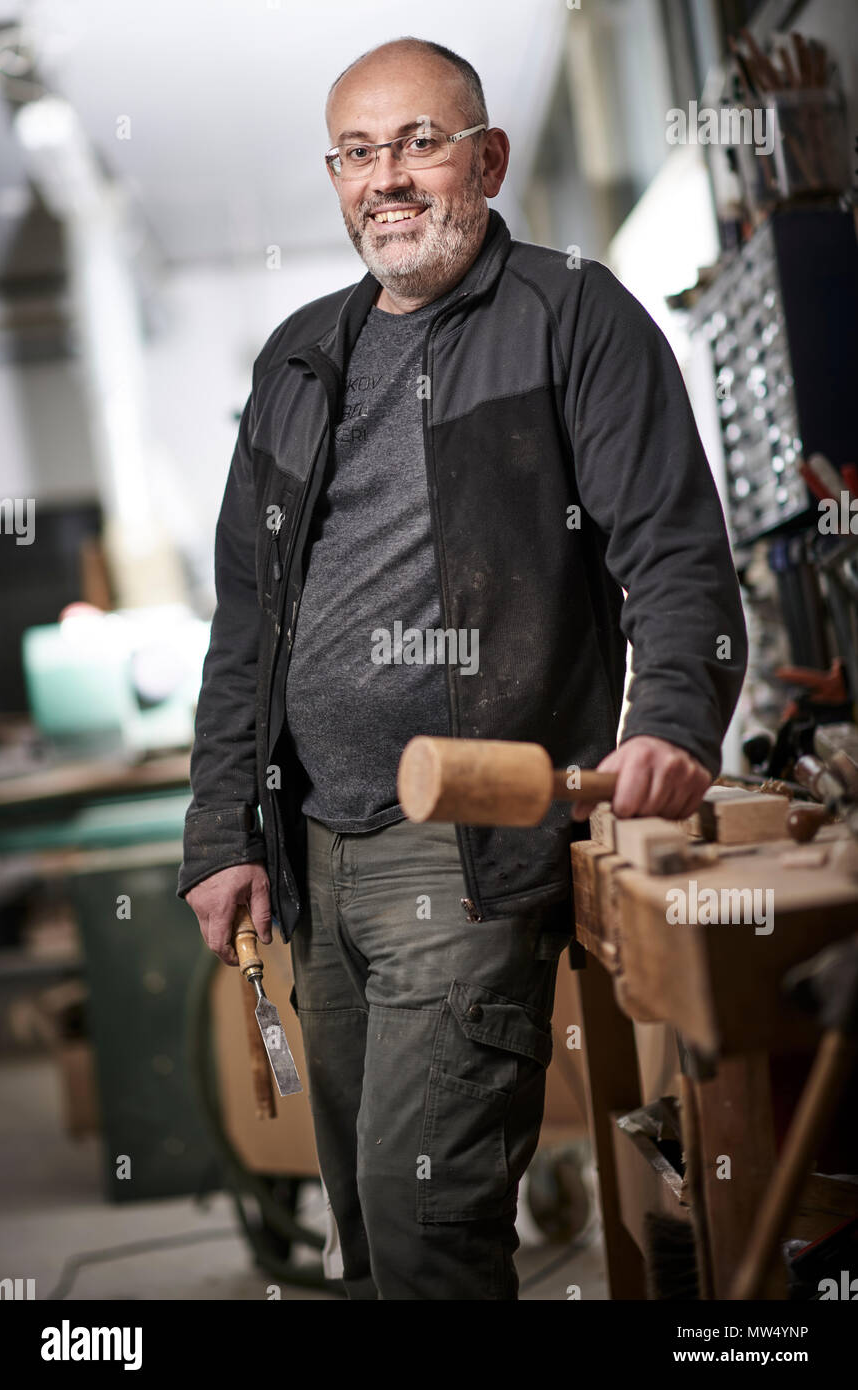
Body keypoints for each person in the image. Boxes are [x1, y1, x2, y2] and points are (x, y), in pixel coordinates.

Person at [179, 36, 747, 1299]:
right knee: (369, 1230)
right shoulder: (297, 362)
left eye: (420, 142)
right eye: (358, 152)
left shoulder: (573, 314)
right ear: (336, 178)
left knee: (423, 1213)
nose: (389, 176)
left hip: (473, 843)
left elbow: (675, 549)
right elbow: (243, 628)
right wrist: (224, 828)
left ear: (486, 160)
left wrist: (672, 718)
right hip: (314, 852)